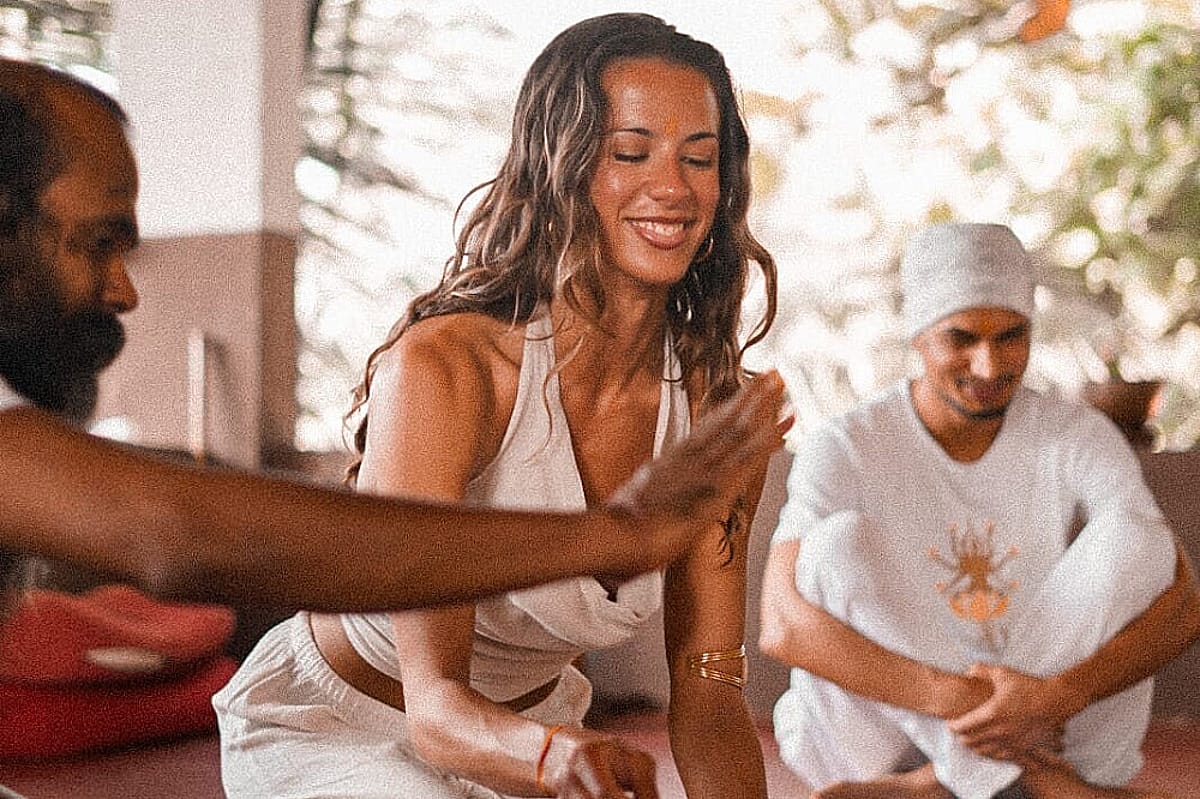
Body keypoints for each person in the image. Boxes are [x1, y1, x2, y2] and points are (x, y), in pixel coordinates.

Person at [215, 13, 781, 799]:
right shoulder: (449, 369)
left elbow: (711, 693)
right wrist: (551, 758)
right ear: (562, 165)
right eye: (630, 152)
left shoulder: (720, 410)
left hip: (536, 733)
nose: (674, 188)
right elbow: (436, 709)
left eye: (700, 158)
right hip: (351, 723)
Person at [0, 58, 788, 615]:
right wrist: (616, 534)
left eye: (700, 159)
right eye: (98, 241)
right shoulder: (451, 361)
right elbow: (171, 531)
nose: (124, 289)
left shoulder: (706, 390)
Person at [759, 222, 1200, 799]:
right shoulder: (845, 445)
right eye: (962, 338)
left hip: (1046, 716)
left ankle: (939, 786)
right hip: (884, 740)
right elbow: (782, 624)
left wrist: (1058, 696)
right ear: (918, 336)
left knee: (1140, 541)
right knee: (831, 547)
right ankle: (1029, 777)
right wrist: (968, 703)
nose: (989, 366)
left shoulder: (1076, 435)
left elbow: (1185, 604)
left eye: (1011, 336)